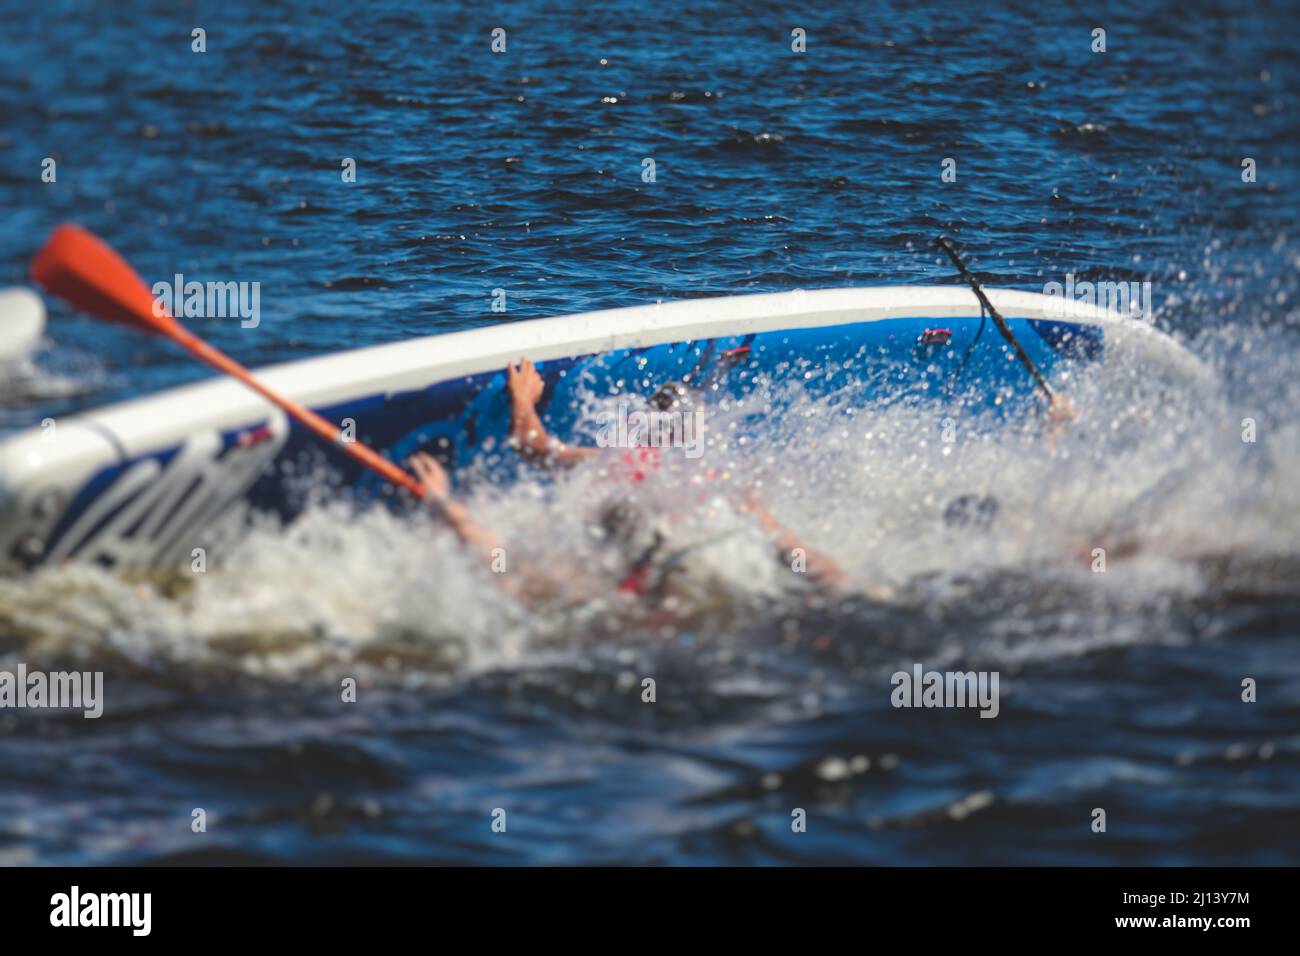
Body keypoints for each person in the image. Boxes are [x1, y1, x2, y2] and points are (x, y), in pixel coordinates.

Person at [408, 356, 845, 599]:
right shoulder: (714, 485)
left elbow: (529, 444)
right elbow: (809, 563)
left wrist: (523, 398)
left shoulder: (617, 467)